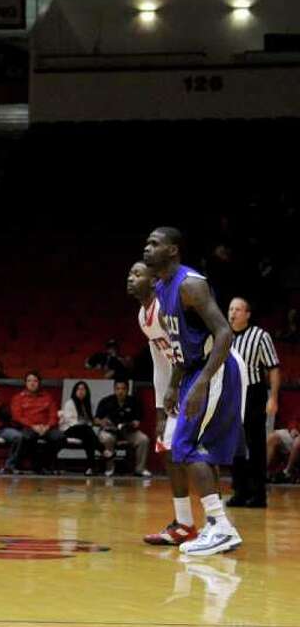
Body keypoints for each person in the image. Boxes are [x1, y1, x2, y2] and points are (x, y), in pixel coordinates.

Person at [143, 226, 247, 556]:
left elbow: (224, 333)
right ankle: (216, 525)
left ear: (173, 250)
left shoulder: (191, 284)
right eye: (147, 243)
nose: (147, 248)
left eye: (154, 244)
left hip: (214, 369)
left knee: (185, 446)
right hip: (191, 371)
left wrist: (202, 382)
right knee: (185, 447)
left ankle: (220, 526)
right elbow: (178, 344)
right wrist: (174, 385)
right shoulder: (161, 287)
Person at [128, 261, 197, 545]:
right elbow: (161, 364)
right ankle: (186, 524)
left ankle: (209, 524)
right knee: (169, 448)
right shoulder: (144, 316)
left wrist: (173, 390)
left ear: (154, 280)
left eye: (137, 273)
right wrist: (159, 410)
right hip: (180, 383)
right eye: (130, 273)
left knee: (192, 452)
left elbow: (185, 352)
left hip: (202, 376)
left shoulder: (166, 309)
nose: (130, 278)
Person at [227, 297, 282, 508]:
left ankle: (258, 494)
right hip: (231, 394)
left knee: (255, 445)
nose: (233, 313)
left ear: (247, 314)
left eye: (238, 309)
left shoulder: (260, 336)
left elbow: (273, 367)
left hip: (253, 393)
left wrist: (273, 397)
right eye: (230, 309)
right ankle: (240, 492)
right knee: (235, 445)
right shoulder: (225, 335)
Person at [10, 372, 65, 474]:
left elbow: (53, 415)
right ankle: (34, 466)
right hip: (28, 427)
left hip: (46, 427)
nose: (32, 383)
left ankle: (46, 464)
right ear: (25, 383)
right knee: (27, 437)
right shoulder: (18, 397)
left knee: (60, 437)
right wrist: (32, 426)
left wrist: (47, 426)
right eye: (29, 381)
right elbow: (17, 416)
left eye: (35, 381)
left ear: (39, 383)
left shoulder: (48, 397)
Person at [96, 381, 152, 477]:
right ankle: (110, 469)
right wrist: (102, 422)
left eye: (123, 389)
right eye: (118, 389)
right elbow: (96, 419)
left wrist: (134, 423)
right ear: (114, 390)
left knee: (144, 439)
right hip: (110, 431)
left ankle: (140, 469)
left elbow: (138, 420)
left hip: (128, 431)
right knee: (106, 438)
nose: (120, 391)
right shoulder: (105, 401)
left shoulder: (134, 401)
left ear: (127, 390)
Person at [60, 381, 104, 475]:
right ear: (75, 391)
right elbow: (70, 421)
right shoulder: (70, 403)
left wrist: (95, 423)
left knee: (89, 438)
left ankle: (90, 468)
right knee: (87, 430)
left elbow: (90, 421)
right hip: (69, 429)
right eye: (78, 389)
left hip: (83, 432)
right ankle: (103, 450)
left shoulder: (88, 404)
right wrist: (83, 424)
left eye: (83, 389)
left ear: (87, 392)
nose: (81, 391)